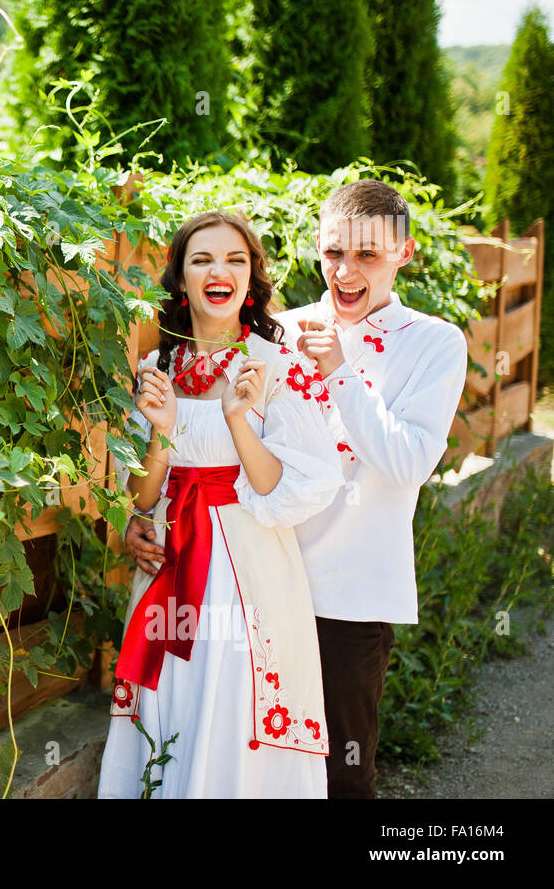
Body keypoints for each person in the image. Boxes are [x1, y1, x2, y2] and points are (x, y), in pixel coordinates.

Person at [124, 181, 468, 798]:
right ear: (317, 251)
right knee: (255, 760)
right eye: (335, 253)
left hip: (347, 591)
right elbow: (205, 444)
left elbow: (410, 462)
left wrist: (338, 372)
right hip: (254, 578)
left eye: (368, 255)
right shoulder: (275, 334)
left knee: (339, 769)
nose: (347, 269)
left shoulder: (434, 343)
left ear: (405, 253)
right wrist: (145, 515)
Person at [97, 211, 343, 799]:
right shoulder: (158, 367)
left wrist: (238, 420)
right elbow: (141, 494)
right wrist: (160, 433)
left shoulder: (278, 364)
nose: (219, 271)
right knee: (170, 702)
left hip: (247, 575)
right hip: (170, 565)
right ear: (181, 281)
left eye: (235, 259)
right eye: (202, 259)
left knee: (233, 707)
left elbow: (302, 483)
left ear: (251, 278)